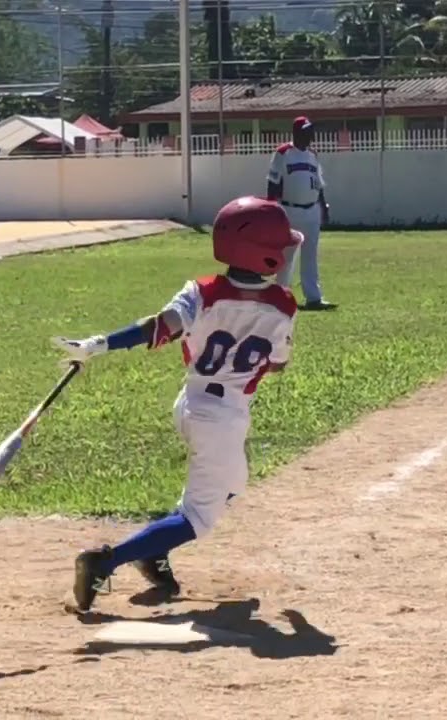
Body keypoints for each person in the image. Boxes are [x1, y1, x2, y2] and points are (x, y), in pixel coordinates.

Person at [55, 196, 302, 613]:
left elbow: (158, 329)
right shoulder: (283, 306)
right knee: (200, 518)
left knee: (230, 485)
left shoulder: (201, 291)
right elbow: (276, 365)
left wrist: (99, 344)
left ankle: (154, 551)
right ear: (266, 255)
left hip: (192, 402)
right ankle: (105, 561)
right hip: (222, 419)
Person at [267, 116, 337, 311]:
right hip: (289, 210)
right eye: (306, 131)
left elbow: (319, 183)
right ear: (296, 133)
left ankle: (314, 297)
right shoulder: (283, 153)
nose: (310, 135)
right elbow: (273, 182)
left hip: (311, 210)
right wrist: (273, 209)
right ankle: (280, 295)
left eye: (311, 131)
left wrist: (323, 207)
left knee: (310, 255)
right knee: (288, 255)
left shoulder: (313, 155)